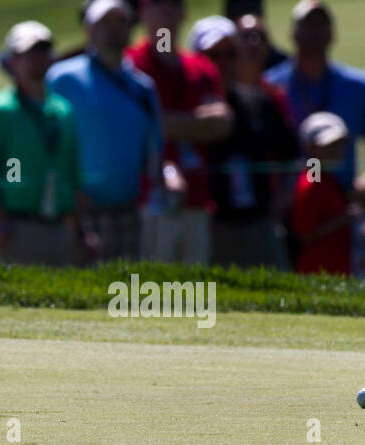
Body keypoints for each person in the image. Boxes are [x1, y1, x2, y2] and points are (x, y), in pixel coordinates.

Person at [47, 0, 161, 262]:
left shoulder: (143, 87)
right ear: (88, 30)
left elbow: (154, 150)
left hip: (130, 210)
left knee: (128, 286)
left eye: (121, 22)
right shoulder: (61, 79)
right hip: (78, 214)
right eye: (104, 22)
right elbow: (47, 144)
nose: (113, 29)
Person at [126, 0, 234, 265]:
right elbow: (137, 125)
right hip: (149, 200)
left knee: (194, 285)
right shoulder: (131, 64)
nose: (166, 10)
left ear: (184, 12)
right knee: (152, 284)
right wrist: (196, 122)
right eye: (157, 3)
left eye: (174, 3)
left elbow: (222, 124)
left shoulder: (200, 67)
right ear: (142, 12)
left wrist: (164, 122)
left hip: (197, 200)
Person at [0, 22, 85, 266]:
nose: (36, 59)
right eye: (28, 54)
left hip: (59, 227)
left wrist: (78, 231)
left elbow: (72, 176)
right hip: (15, 228)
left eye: (42, 52)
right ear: (12, 61)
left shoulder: (63, 111)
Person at [191, 15, 297, 268]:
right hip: (207, 226)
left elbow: (295, 156)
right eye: (214, 55)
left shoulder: (260, 102)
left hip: (259, 224)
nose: (224, 63)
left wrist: (286, 194)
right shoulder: (187, 107)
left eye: (231, 54)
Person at [264, 1, 365, 191]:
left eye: (321, 24)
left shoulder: (357, 86)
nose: (315, 31)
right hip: (290, 200)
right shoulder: (270, 85)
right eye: (308, 24)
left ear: (333, 33)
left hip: (343, 199)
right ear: (292, 32)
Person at [290, 111, 357, 275]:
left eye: (339, 145)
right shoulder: (312, 182)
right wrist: (344, 218)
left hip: (336, 269)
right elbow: (304, 234)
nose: (336, 151)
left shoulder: (325, 176)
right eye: (329, 146)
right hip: (318, 271)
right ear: (310, 148)